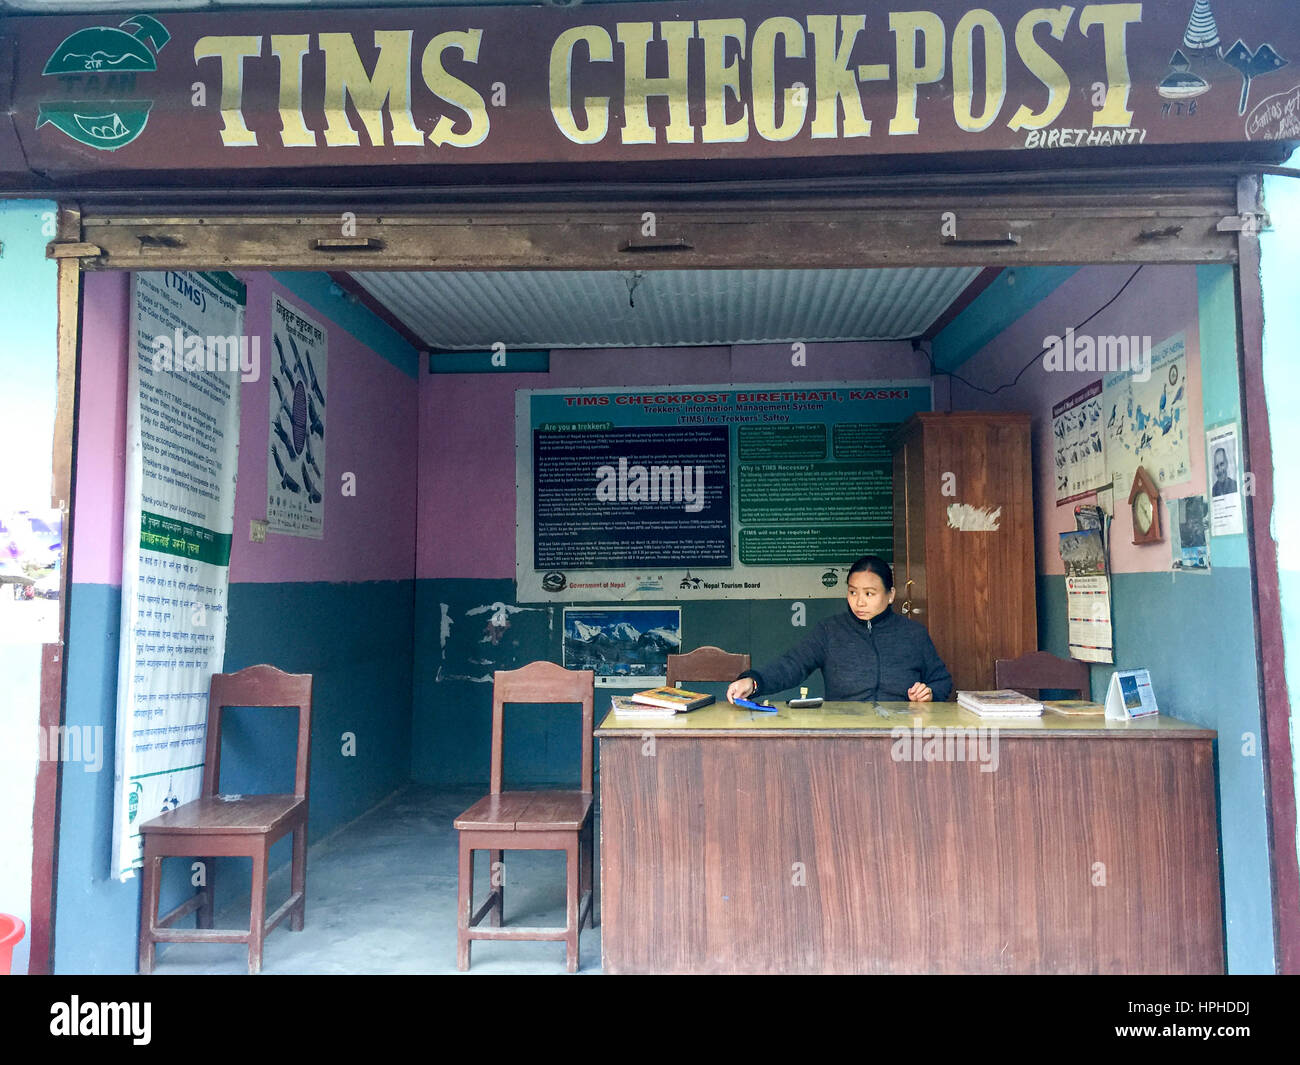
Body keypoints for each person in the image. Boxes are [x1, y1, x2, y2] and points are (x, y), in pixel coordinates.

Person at [726, 555, 953, 705]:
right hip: (845, 733)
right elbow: (792, 665)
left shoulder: (913, 634)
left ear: (890, 594)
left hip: (900, 733)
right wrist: (753, 682)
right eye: (853, 592)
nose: (859, 602)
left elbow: (941, 681)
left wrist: (929, 694)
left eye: (869, 594)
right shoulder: (830, 631)